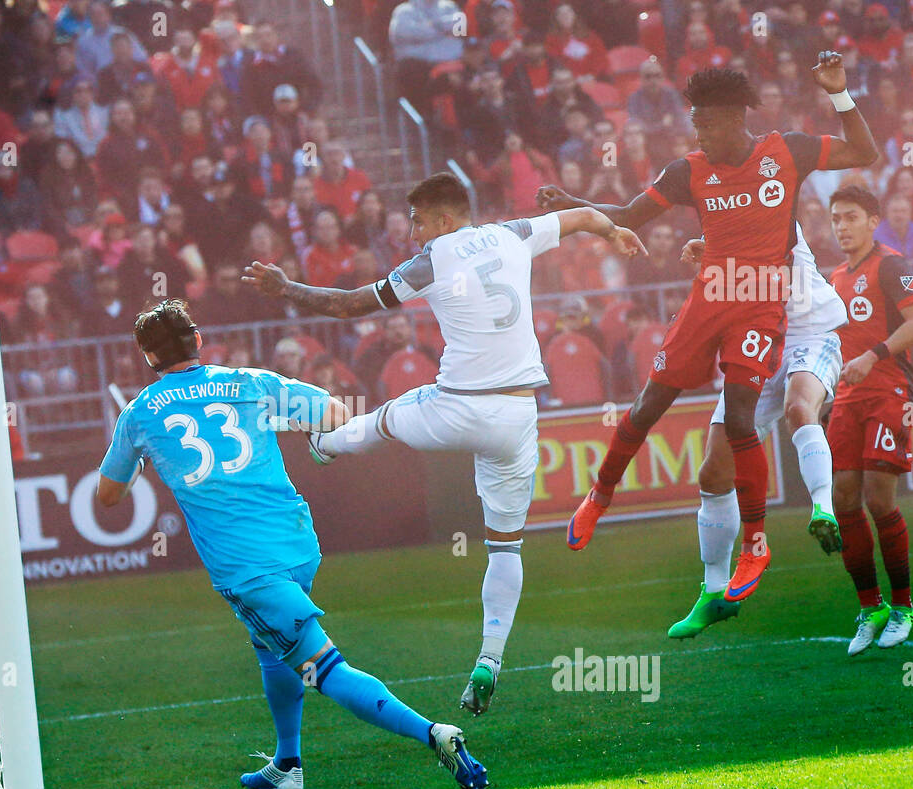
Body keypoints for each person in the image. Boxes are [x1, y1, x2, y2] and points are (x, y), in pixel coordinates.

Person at [241, 172, 646, 715]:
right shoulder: (515, 232)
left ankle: (325, 446)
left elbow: (348, 305)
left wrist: (285, 288)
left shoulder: (429, 261)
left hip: (458, 406)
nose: (411, 233)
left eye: (416, 220)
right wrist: (614, 232)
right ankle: (491, 659)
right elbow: (583, 217)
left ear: (444, 219)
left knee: (386, 418)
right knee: (506, 545)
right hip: (519, 412)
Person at [97, 300, 488, 789]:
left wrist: (142, 461)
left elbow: (108, 496)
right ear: (197, 341)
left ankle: (433, 734)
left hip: (248, 569)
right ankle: (287, 764)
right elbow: (336, 413)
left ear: (146, 358)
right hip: (298, 543)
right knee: (271, 649)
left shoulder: (137, 417)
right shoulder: (249, 382)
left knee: (321, 668)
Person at [536, 55, 878, 604]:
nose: (698, 131)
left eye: (707, 122)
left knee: (741, 417)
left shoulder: (786, 150)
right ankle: (599, 493)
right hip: (711, 294)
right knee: (649, 403)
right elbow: (627, 214)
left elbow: (865, 153)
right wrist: (575, 206)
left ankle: (756, 545)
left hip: (762, 301)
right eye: (694, 122)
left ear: (735, 118)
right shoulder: (688, 170)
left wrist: (840, 95)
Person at [668, 221, 849, 639]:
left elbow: (768, 264)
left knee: (799, 408)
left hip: (812, 333)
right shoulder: (722, 207)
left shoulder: (774, 197)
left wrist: (716, 256)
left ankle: (823, 507)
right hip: (763, 341)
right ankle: (712, 593)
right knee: (714, 473)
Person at [825, 186, 913, 655]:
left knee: (878, 497)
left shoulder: (890, 263)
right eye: (835, 219)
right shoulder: (833, 278)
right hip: (848, 397)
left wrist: (873, 354)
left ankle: (904, 606)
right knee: (843, 499)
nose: (842, 227)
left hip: (889, 389)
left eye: (850, 217)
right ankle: (871, 608)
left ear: (872, 221)